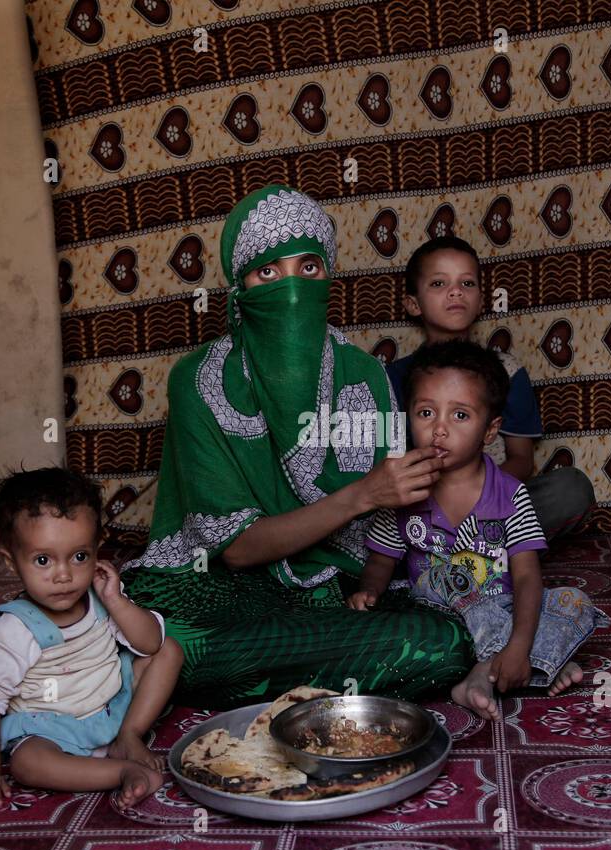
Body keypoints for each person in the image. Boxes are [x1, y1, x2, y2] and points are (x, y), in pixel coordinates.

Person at [120, 184, 474, 706]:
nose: (291, 291)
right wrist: (365, 494)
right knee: (176, 644)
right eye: (268, 272)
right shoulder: (198, 379)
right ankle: (293, 666)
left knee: (441, 645)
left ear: (328, 276)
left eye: (308, 269)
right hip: (219, 587)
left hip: (332, 590)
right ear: (239, 285)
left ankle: (264, 668)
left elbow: (389, 529)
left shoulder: (364, 376)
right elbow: (236, 550)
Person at [349, 340, 607, 719]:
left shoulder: (510, 494)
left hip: (499, 608)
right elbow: (381, 560)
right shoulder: (406, 488)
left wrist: (518, 645)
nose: (439, 429)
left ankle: (492, 669)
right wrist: (369, 590)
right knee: (437, 584)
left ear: (490, 431)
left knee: (573, 603)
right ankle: (539, 663)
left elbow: (526, 579)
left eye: (460, 416)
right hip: (437, 615)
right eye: (425, 412)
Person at [0, 467, 182, 810]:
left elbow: (150, 644)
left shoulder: (101, 596)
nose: (63, 575)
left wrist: (117, 602)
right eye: (43, 560)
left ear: (97, 549)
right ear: (12, 563)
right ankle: (119, 771)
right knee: (27, 764)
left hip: (112, 703)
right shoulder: (12, 629)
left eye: (80, 556)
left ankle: (129, 736)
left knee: (169, 650)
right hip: (51, 728)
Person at [384, 235, 596, 539]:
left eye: (467, 283)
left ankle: (476, 546)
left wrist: (479, 494)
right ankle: (441, 549)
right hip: (421, 508)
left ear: (481, 301)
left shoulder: (507, 371)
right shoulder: (392, 376)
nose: (456, 291)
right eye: (439, 284)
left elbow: (522, 460)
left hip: (492, 504)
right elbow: (387, 462)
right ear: (413, 304)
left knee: (570, 489)